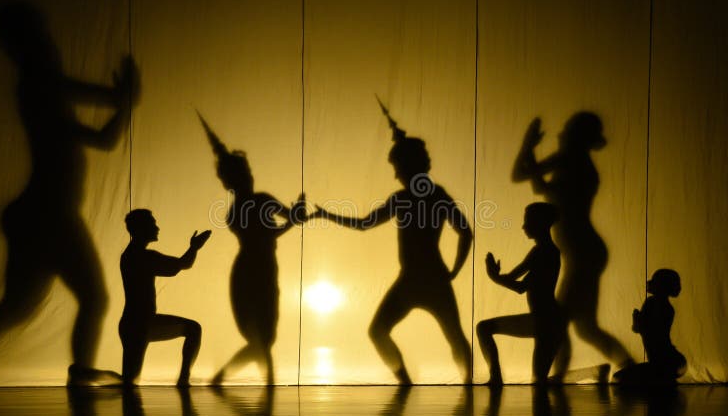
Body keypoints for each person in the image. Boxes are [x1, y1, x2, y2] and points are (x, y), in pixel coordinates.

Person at [0, 0, 139, 386]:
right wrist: (123, 100)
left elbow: (102, 118)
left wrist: (121, 99)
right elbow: (105, 136)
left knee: (16, 309)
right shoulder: (40, 87)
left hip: (38, 214)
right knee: (90, 297)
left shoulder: (40, 87)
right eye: (40, 35)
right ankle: (81, 373)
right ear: (29, 43)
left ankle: (80, 372)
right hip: (49, 214)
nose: (49, 43)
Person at [310, 97, 473, 385]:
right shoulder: (426, 195)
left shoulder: (418, 197)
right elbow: (364, 224)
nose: (395, 173)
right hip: (421, 278)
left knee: (448, 335)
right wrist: (327, 215)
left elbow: (364, 224)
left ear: (407, 165)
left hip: (424, 279)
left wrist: (456, 270)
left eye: (396, 166)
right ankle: (419, 383)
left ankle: (430, 383)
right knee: (443, 335)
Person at [512, 113, 633, 381]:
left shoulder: (571, 160)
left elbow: (524, 176)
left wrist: (528, 146)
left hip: (583, 252)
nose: (560, 134)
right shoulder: (571, 162)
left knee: (563, 321)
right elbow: (537, 184)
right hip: (583, 251)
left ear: (575, 136)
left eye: (565, 130)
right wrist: (529, 149)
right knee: (583, 326)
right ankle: (619, 367)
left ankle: (559, 375)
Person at [199, 113, 306, 386]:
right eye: (245, 173)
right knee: (263, 337)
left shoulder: (240, 210)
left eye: (249, 171)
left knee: (263, 338)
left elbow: (288, 220)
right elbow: (275, 230)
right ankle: (247, 384)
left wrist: (296, 214)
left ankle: (229, 380)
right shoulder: (253, 204)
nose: (250, 176)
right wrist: (294, 217)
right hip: (255, 270)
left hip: (257, 269)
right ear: (233, 181)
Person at [476, 202, 568, 385]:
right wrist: (497, 275)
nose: (524, 226)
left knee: (483, 328)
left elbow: (520, 287)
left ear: (540, 223)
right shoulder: (540, 251)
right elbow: (512, 277)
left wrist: (494, 276)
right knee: (539, 380)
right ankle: (596, 372)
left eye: (528, 221)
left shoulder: (546, 252)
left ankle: (496, 377)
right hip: (546, 321)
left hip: (545, 321)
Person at [119, 209, 211, 387]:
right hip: (142, 324)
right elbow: (181, 265)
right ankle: (184, 379)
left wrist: (194, 248)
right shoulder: (143, 257)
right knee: (193, 329)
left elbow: (179, 266)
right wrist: (194, 247)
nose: (157, 227)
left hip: (131, 324)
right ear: (141, 228)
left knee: (129, 381)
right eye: (153, 224)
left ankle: (84, 374)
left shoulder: (130, 255)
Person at [613, 268, 687, 385]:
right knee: (623, 378)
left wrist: (637, 319)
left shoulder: (654, 304)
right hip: (673, 362)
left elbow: (644, 330)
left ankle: (662, 381)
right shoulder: (663, 307)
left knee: (621, 378)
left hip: (666, 362)